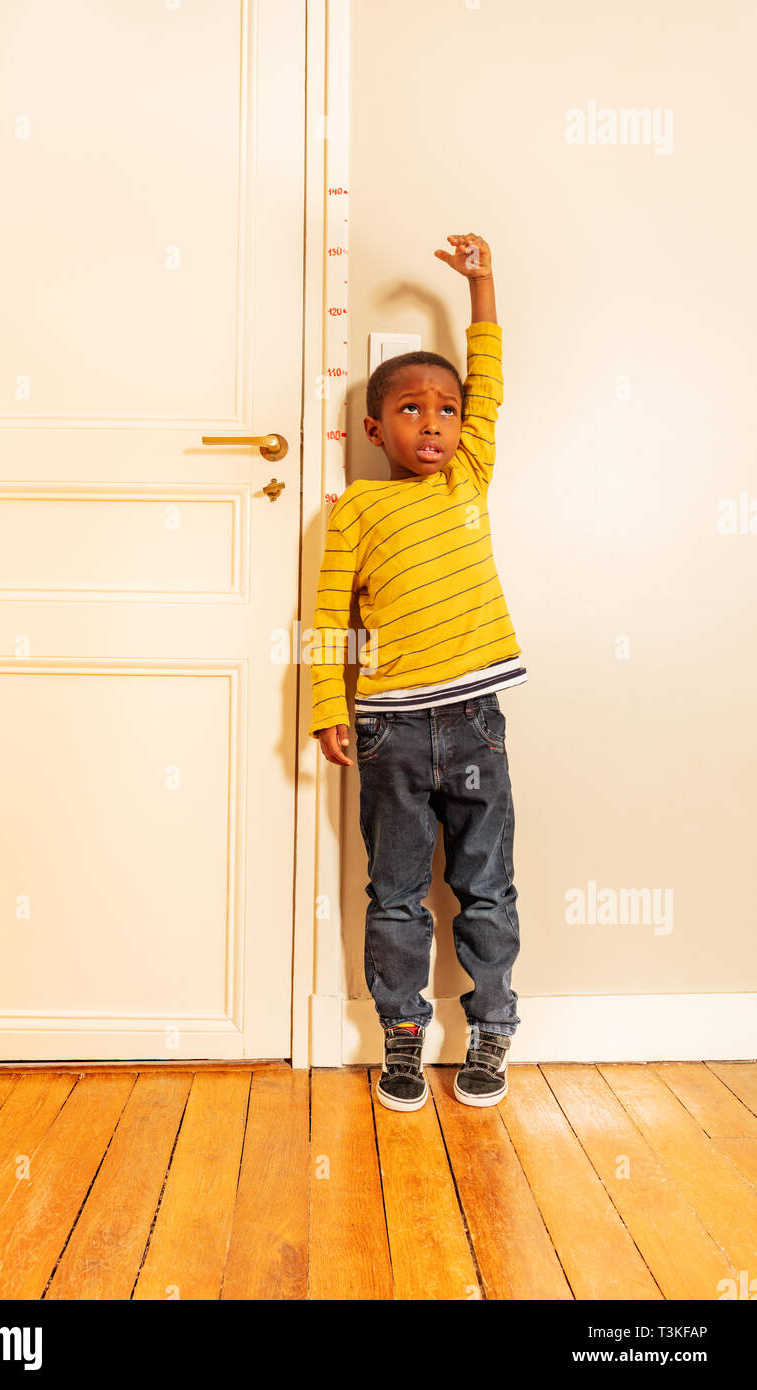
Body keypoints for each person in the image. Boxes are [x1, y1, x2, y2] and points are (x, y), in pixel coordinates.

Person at [308, 233, 525, 1112]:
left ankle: (492, 1029)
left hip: (474, 720)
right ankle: (400, 1035)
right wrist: (326, 706)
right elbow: (329, 617)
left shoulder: (467, 477)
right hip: (389, 728)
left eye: (446, 410)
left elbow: (491, 381)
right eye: (410, 410)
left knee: (484, 886)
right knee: (395, 893)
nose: (432, 423)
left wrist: (480, 285)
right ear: (375, 429)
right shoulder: (357, 509)